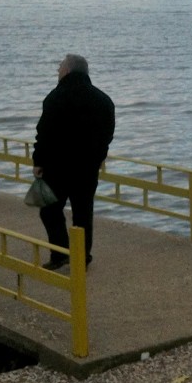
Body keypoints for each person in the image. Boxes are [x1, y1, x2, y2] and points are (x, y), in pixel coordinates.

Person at [32, 54, 115, 271]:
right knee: (83, 213)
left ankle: (60, 254)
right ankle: (82, 258)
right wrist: (99, 156)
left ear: (68, 70)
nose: (57, 70)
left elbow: (44, 133)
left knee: (49, 210)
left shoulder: (55, 98)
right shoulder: (103, 100)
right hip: (87, 168)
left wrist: (38, 161)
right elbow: (107, 133)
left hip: (57, 168)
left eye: (60, 66)